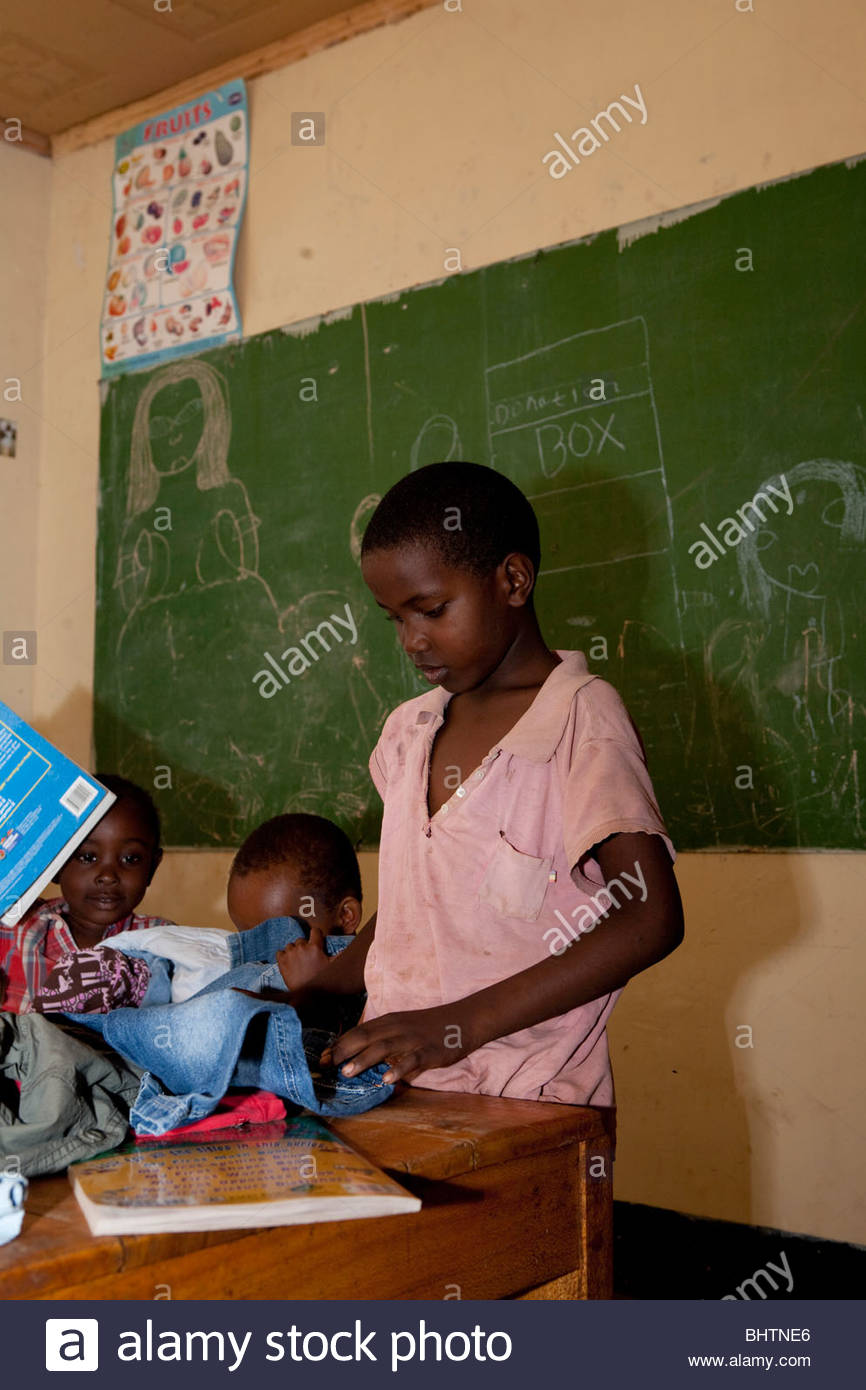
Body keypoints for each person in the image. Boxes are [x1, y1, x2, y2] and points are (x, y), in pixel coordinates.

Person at [279, 461, 685, 1108]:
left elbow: (650, 914)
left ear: (513, 581)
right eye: (394, 620)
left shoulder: (581, 720)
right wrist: (310, 1000)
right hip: (399, 1093)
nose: (412, 641)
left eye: (432, 610)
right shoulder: (407, 732)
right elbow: (417, 912)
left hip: (531, 1106)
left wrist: (452, 1030)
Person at [0, 775, 171, 1014]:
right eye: (88, 857)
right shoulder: (14, 924)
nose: (108, 875)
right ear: (55, 863)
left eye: (130, 859)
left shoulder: (163, 943)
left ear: (152, 867)